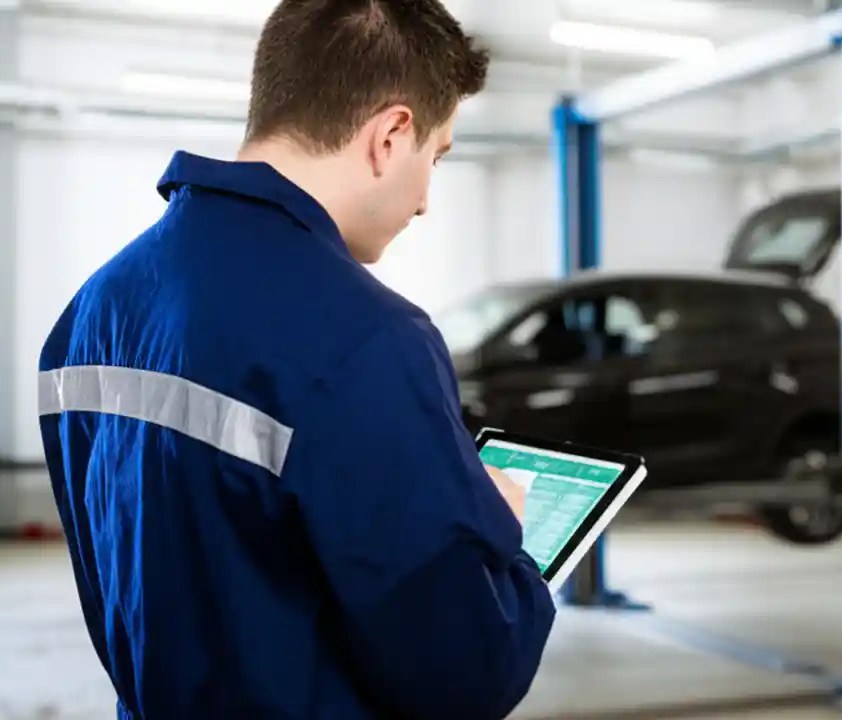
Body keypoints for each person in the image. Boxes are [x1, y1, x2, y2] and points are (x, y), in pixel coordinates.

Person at [35, 0, 556, 718]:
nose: (427, 201)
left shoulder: (91, 313)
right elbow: (464, 672)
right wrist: (506, 543)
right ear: (391, 134)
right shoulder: (372, 340)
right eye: (435, 158)